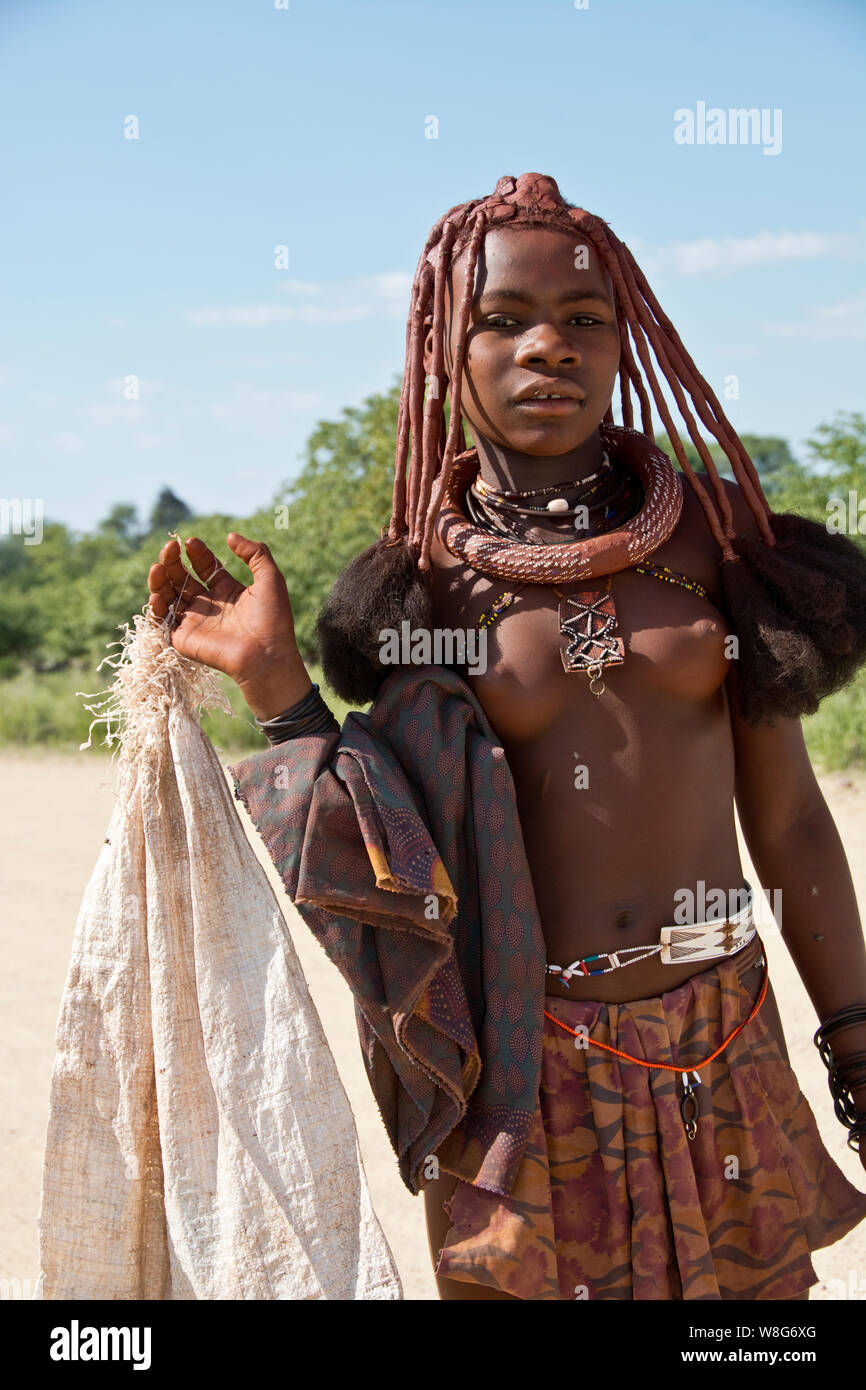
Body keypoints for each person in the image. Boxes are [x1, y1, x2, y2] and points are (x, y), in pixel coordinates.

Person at [147, 173, 866, 1301]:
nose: (548, 348)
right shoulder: (417, 594)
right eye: (502, 321)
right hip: (531, 1075)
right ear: (445, 350)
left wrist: (855, 1039)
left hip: (726, 1033)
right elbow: (395, 862)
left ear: (625, 343)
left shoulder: (715, 547)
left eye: (583, 320)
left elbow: (785, 821)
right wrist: (282, 692)